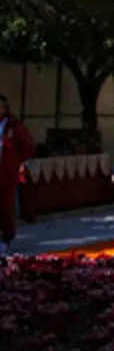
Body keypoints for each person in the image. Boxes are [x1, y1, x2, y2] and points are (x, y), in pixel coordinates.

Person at [0, 94, 36, 256]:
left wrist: (17, 163)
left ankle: (6, 238)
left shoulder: (14, 126)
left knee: (6, 206)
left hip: (6, 172)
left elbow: (28, 145)